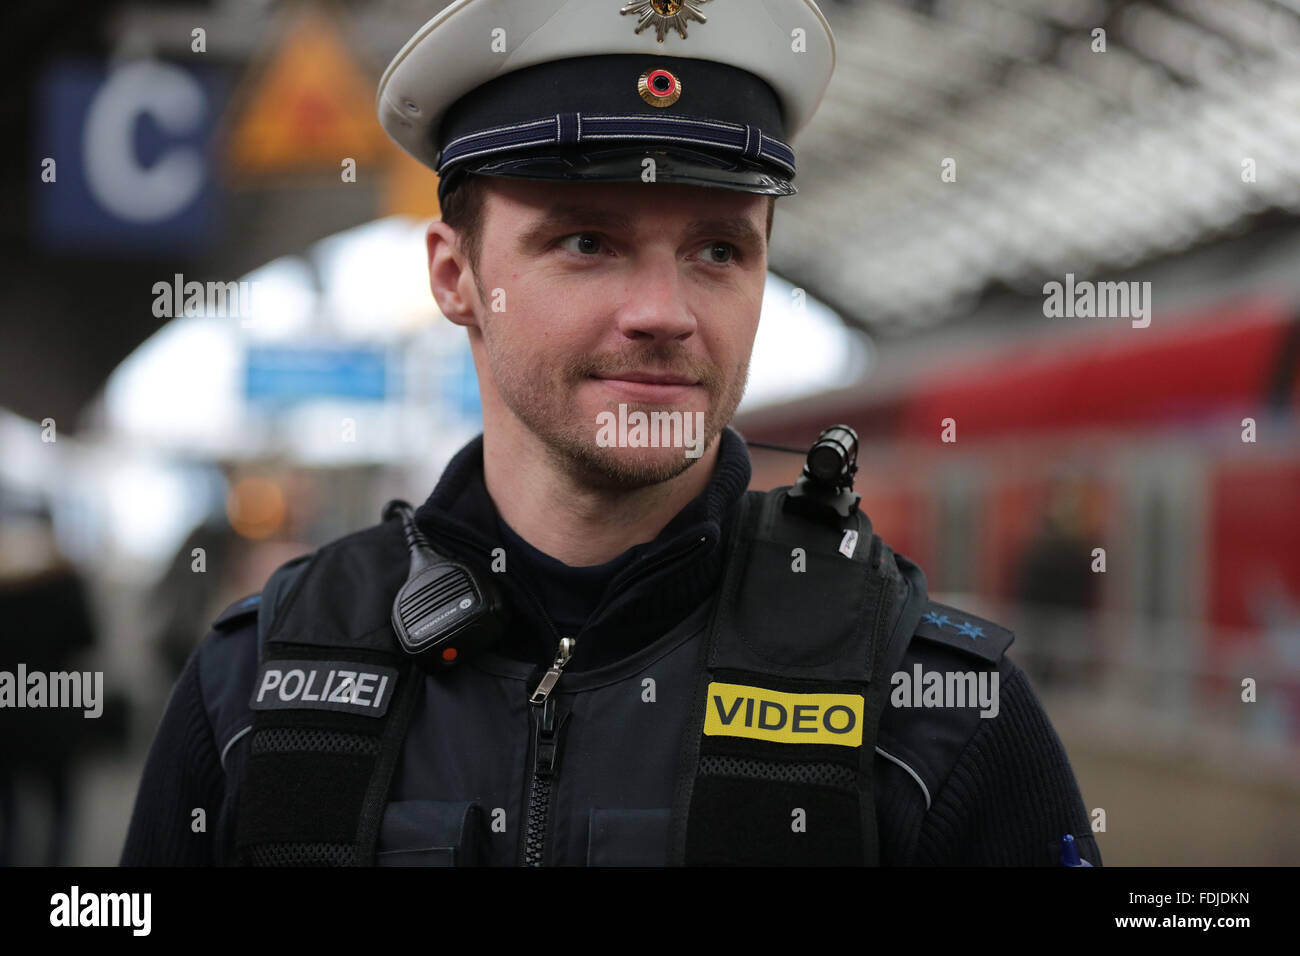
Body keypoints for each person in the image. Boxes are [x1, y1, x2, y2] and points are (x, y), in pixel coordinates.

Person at [121, 0, 1101, 866]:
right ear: (455, 275)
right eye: (586, 241)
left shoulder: (931, 711)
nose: (664, 311)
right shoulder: (259, 688)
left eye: (719, 248)